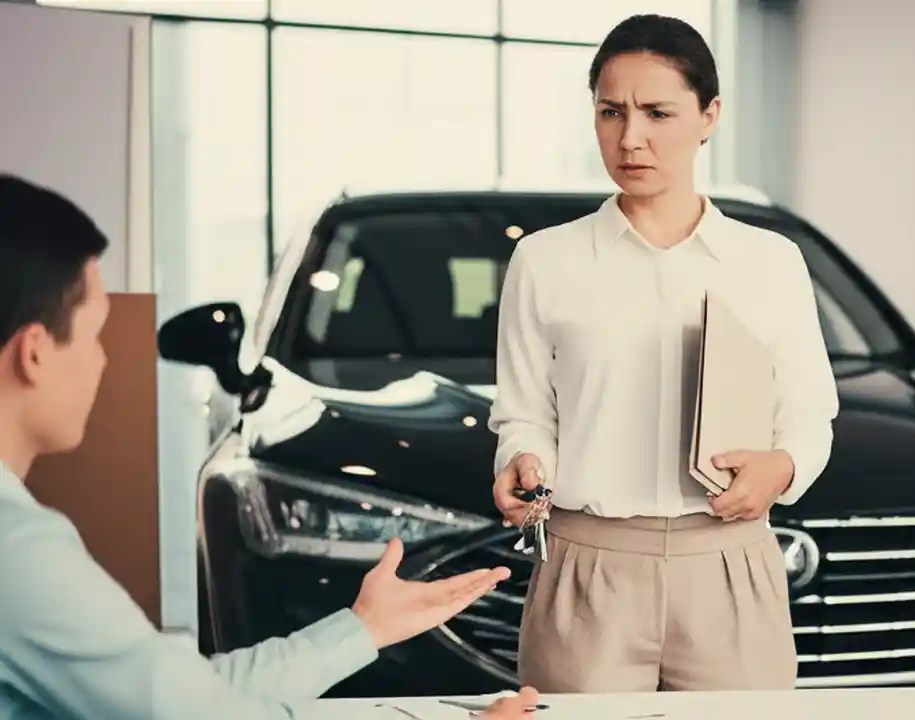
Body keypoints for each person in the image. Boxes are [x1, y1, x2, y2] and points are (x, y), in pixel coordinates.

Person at [0, 174, 539, 719]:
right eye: (94, 334)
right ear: (35, 353)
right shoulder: (18, 551)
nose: (103, 361)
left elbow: (181, 694)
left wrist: (365, 627)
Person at [488, 14, 840, 693]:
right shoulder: (544, 261)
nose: (631, 138)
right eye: (610, 112)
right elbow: (524, 413)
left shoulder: (771, 262)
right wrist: (521, 463)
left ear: (709, 116)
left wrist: (783, 466)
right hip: (587, 570)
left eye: (658, 112)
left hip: (730, 566)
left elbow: (809, 414)